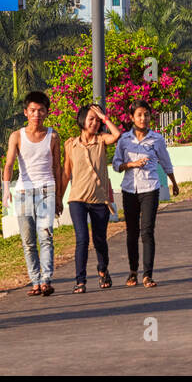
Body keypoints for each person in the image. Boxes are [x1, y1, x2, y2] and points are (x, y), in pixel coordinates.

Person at [1, 91, 63, 296]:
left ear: (46, 112)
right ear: (26, 112)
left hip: (47, 189)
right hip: (23, 193)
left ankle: (46, 280)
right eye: (33, 110)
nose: (37, 114)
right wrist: (6, 190)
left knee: (46, 236)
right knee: (28, 241)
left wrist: (59, 197)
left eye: (41, 110)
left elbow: (57, 168)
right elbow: (9, 163)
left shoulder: (53, 136)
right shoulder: (16, 136)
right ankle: (34, 281)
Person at [112, 100, 179, 288]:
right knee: (132, 232)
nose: (143, 118)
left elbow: (165, 161)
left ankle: (148, 274)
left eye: (146, 114)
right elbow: (117, 164)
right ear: (132, 117)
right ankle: (133, 271)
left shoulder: (156, 139)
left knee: (147, 231)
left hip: (150, 188)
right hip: (129, 189)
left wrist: (173, 182)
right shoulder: (124, 140)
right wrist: (131, 164)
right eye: (139, 115)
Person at [59, 103, 121, 293]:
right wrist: (58, 200)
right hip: (77, 199)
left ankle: (103, 270)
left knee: (100, 239)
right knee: (82, 239)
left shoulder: (101, 140)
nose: (94, 123)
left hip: (99, 200)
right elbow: (66, 173)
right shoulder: (70, 144)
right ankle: (80, 281)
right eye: (90, 119)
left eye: (96, 120)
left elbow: (117, 135)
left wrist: (105, 118)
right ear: (82, 120)